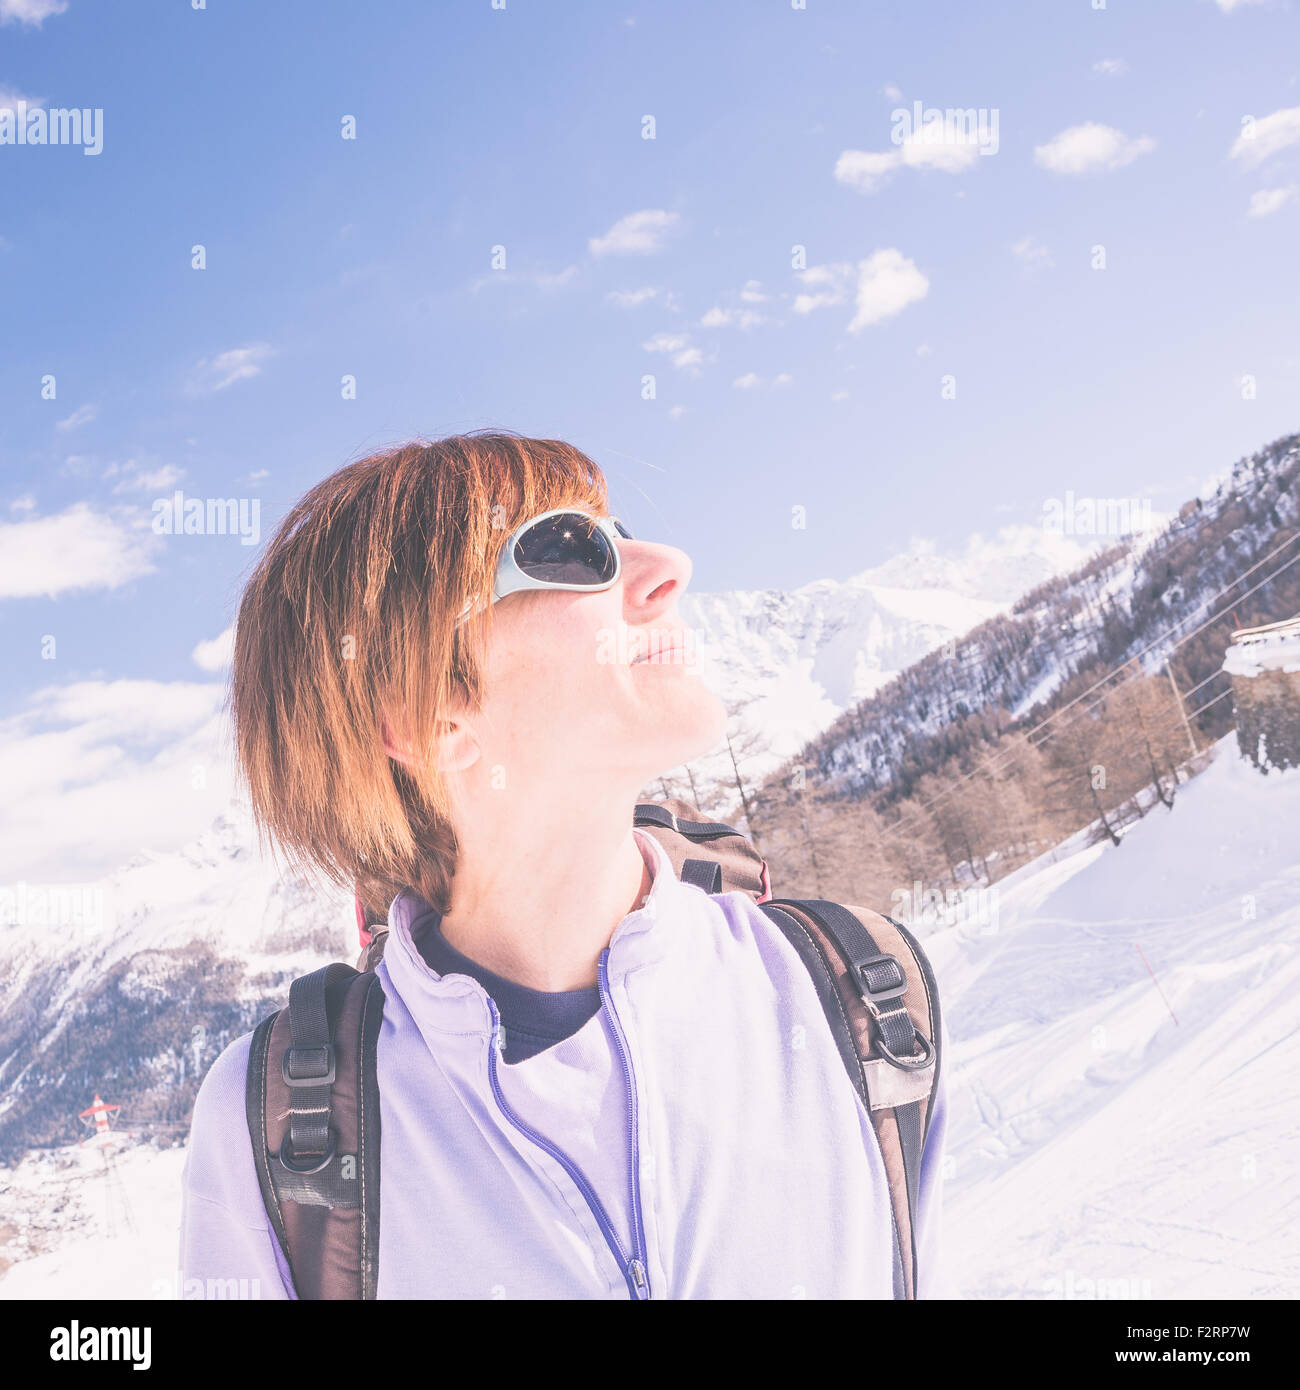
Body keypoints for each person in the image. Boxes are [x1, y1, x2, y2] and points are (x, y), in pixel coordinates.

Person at [179, 430, 950, 1299]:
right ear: (428, 717)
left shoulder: (858, 988)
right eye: (573, 549)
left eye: (623, 533)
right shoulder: (280, 1131)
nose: (669, 566)